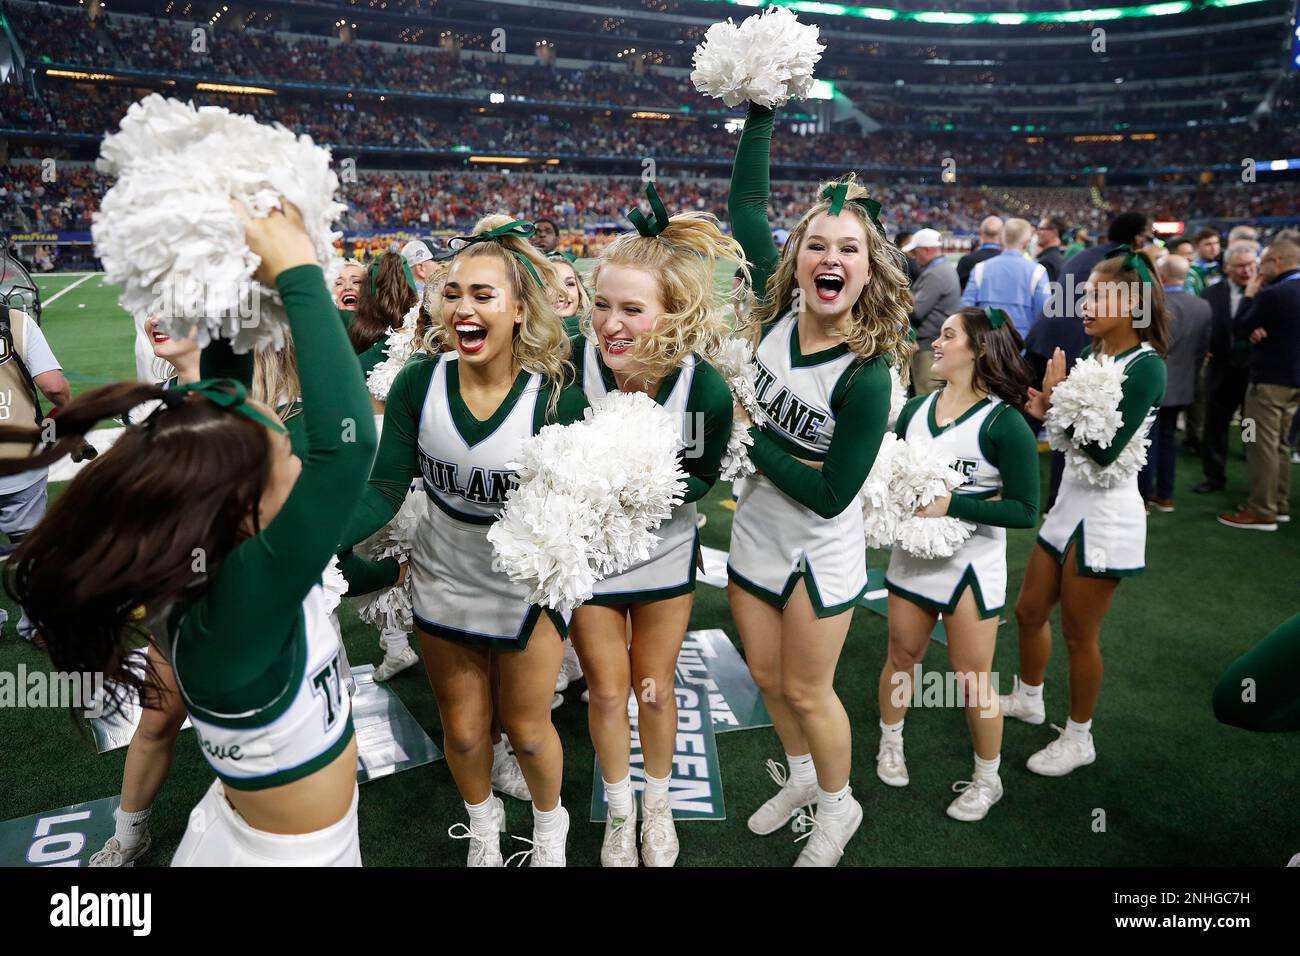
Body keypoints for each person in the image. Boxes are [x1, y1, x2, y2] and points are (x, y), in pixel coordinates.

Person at [2, 203, 377, 864]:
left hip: (246, 821)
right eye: (284, 454)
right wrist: (298, 271)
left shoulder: (213, 555)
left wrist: (224, 257)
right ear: (240, 501)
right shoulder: (245, 605)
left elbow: (224, 390)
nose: (296, 452)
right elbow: (347, 447)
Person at [339, 216, 584, 867]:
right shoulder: (420, 382)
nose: (465, 307)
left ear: (517, 308)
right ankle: (483, 823)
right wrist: (320, 538)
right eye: (454, 293)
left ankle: (550, 830)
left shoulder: (556, 395)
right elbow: (386, 489)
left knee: (529, 733)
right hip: (442, 575)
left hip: (525, 588)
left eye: (483, 294)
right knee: (466, 731)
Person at [727, 102, 910, 866]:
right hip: (754, 533)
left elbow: (833, 493)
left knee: (809, 690)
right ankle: (803, 778)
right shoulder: (773, 312)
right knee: (766, 677)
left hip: (819, 546)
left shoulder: (867, 374)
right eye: (817, 244)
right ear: (797, 257)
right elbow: (745, 205)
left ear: (869, 271)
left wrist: (750, 435)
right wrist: (761, 114)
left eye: (850, 249)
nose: (831, 258)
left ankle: (840, 806)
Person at [568, 185, 739, 868]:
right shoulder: (569, 371)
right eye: (602, 304)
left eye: (632, 309)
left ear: (670, 313)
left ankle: (658, 804)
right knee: (607, 688)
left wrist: (643, 488)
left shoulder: (704, 390)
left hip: (664, 554)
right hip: (588, 558)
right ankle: (619, 810)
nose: (611, 322)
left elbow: (702, 474)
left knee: (654, 687)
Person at [1001, 246, 1168, 776]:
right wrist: (1044, 409)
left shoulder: (1147, 368)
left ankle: (1079, 737)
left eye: (1098, 295)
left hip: (1106, 518)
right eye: (1084, 294)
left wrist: (1054, 409)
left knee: (1079, 635)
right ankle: (1029, 697)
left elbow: (1105, 451)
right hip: (1067, 504)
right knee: (1028, 611)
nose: (1084, 305)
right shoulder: (1094, 359)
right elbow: (1073, 440)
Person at [877, 306, 1039, 822]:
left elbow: (1025, 510)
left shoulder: (1004, 423)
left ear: (978, 349)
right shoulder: (914, 412)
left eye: (948, 335)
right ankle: (891, 740)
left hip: (972, 565)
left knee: (973, 678)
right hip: (913, 559)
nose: (937, 343)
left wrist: (954, 504)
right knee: (902, 657)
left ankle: (987, 779)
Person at [88, 318, 201, 867]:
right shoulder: (158, 404)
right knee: (156, 718)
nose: (153, 318)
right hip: (179, 596)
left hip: (254, 604)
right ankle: (130, 833)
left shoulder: (257, 401)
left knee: (255, 743)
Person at [1025, 211, 1150, 510]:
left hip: (1043, 337)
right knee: (1075, 415)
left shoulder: (1083, 254)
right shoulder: (1124, 264)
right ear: (1137, 237)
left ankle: (999, 479)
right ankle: (1056, 500)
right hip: (1076, 344)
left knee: (1031, 415)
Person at [1217, 236, 1300, 531]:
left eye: (1261, 263)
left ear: (1276, 261)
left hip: (1266, 383)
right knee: (1280, 445)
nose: (1257, 270)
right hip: (1294, 383)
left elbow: (1240, 328)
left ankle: (1261, 510)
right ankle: (1278, 504)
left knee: (1256, 444)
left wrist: (1251, 295)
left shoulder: (1274, 294)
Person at [0, 298, 71, 628]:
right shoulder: (17, 320)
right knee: (32, 548)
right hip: (18, 459)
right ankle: (38, 625)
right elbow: (53, 386)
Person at [1140, 255, 1210, 511]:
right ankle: (1165, 495)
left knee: (1147, 443)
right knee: (1167, 441)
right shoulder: (1202, 306)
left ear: (1163, 276)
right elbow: (1203, 350)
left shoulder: (1158, 305)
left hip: (1155, 385)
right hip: (1182, 385)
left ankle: (1144, 498)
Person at [1196, 242, 1258, 494]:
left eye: (1251, 265)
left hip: (1254, 372)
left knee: (1251, 426)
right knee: (1216, 425)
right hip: (1221, 370)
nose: (1247, 271)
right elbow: (1202, 327)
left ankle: (1254, 474)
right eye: (1241, 266)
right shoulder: (1211, 293)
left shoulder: (1267, 291)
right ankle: (1214, 477)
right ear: (1227, 268)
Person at [959, 218, 1050, 338]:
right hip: (1022, 346)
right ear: (1027, 242)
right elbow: (1044, 315)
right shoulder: (1037, 272)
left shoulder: (980, 269)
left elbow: (966, 311)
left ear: (1002, 239)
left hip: (986, 344)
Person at [901, 228, 961, 397]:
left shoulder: (936, 274)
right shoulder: (941, 269)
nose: (913, 256)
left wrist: (900, 297)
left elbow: (917, 311)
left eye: (916, 251)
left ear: (927, 250)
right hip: (932, 342)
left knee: (925, 396)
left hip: (928, 346)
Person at [956, 216, 1002, 292]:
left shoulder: (966, 261)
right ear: (1002, 234)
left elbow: (958, 291)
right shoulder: (1011, 262)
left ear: (980, 232)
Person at [1035, 216, 1068, 283]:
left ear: (1054, 232)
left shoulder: (1047, 262)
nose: (1037, 232)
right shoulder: (1059, 258)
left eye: (1041, 229)